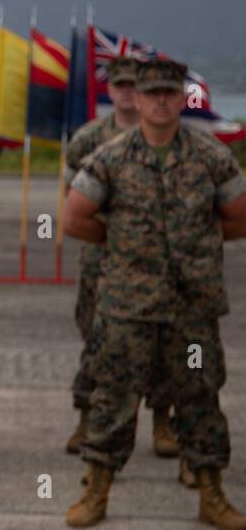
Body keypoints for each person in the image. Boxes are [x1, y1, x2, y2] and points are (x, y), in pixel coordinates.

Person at [64, 58, 246, 530]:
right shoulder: (110, 157)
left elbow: (239, 216)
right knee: (113, 399)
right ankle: (96, 491)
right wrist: (125, 246)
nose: (161, 101)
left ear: (182, 98)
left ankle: (211, 494)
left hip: (192, 307)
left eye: (170, 92)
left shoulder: (211, 157)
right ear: (139, 100)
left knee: (200, 396)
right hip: (129, 306)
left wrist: (197, 247)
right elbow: (74, 217)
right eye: (152, 93)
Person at [62, 55, 175, 458]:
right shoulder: (88, 140)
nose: (126, 92)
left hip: (159, 264)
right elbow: (71, 200)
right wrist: (110, 238)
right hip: (102, 260)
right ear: (109, 90)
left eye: (133, 85)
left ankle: (163, 421)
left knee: (163, 343)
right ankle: (88, 418)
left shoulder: (167, 138)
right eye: (119, 85)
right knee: (98, 339)